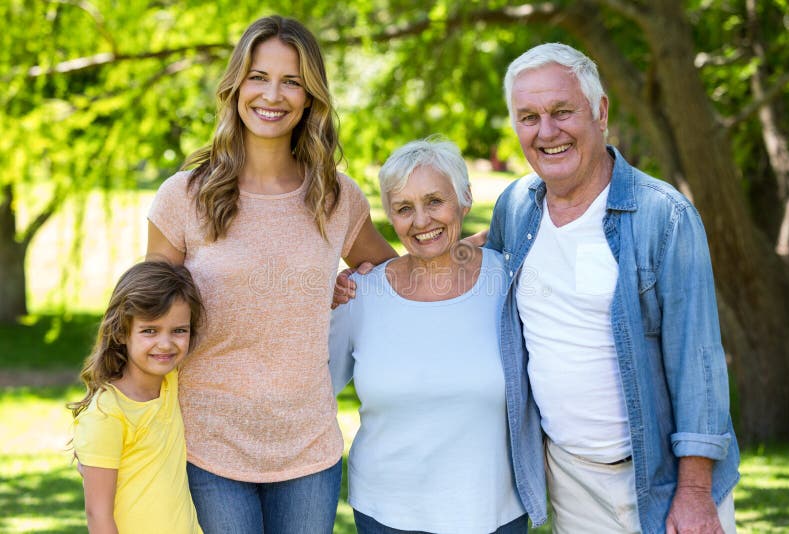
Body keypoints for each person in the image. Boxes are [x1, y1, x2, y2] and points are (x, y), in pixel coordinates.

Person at [146, 15, 396, 533]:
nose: (273, 95)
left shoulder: (336, 197)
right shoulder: (183, 197)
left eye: (292, 82)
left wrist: (340, 286)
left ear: (310, 98)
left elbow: (391, 273)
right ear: (237, 85)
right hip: (207, 444)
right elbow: (146, 319)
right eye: (259, 77)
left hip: (309, 448)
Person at [486, 42, 740, 533]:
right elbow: (481, 267)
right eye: (529, 117)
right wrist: (384, 269)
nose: (546, 132)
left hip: (665, 483)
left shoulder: (663, 215)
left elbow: (699, 363)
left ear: (600, 112)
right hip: (569, 480)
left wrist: (693, 493)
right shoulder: (514, 208)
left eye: (562, 111)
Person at [329, 137, 528, 534]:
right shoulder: (359, 294)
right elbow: (314, 394)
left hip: (493, 514)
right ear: (390, 216)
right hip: (385, 515)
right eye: (404, 208)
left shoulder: (508, 282)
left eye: (435, 201)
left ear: (465, 199)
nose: (421, 221)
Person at [69, 261, 205, 533]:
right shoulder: (107, 414)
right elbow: (98, 515)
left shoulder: (172, 383)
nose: (165, 344)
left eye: (179, 330)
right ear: (121, 332)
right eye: (149, 331)